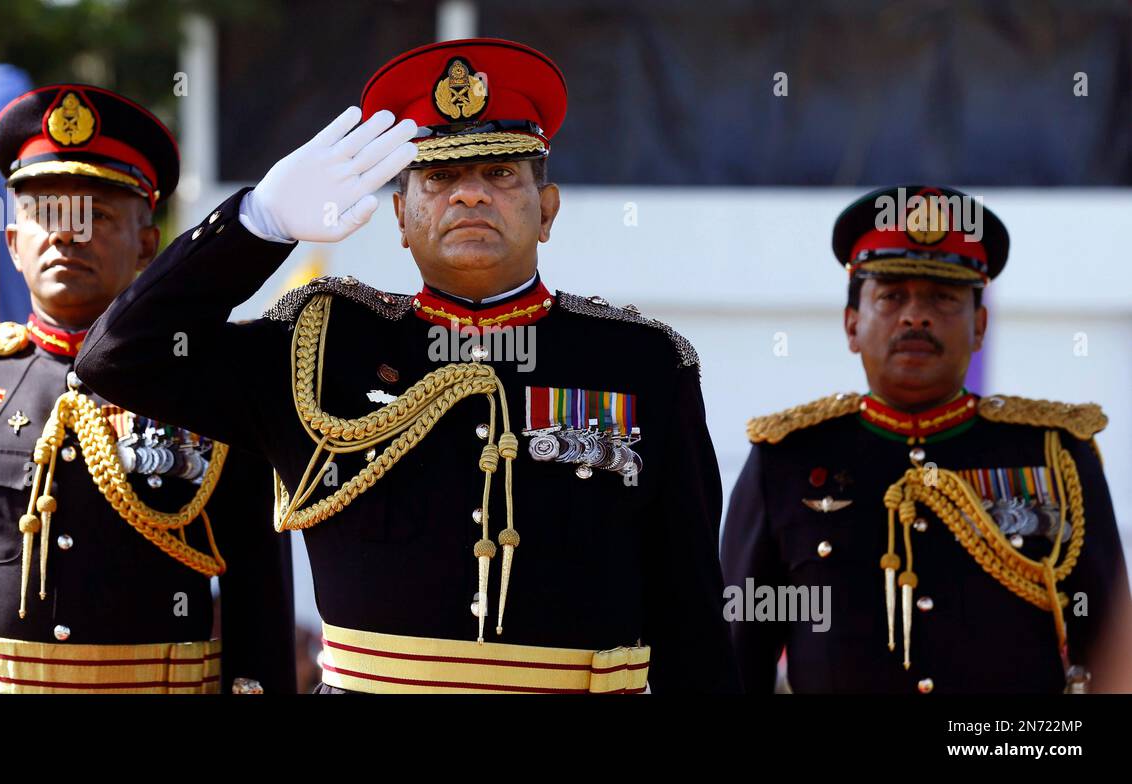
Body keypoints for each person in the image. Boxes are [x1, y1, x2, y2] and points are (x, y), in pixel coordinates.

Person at [77, 39, 738, 693]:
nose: (470, 196)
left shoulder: (641, 361)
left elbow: (691, 613)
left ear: (548, 209)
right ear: (400, 215)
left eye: (502, 174)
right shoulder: (320, 343)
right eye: (440, 178)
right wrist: (259, 224)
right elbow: (119, 358)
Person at [0, 84, 295, 694]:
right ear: (13, 245)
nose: (66, 234)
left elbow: (259, 598)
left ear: (148, 243)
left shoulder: (208, 382)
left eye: (94, 213)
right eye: (44, 214)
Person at [721, 185, 1128, 693]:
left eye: (943, 298)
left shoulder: (1054, 456)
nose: (916, 316)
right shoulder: (783, 462)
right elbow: (735, 660)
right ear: (852, 325)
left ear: (980, 327)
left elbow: (1114, 652)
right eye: (891, 296)